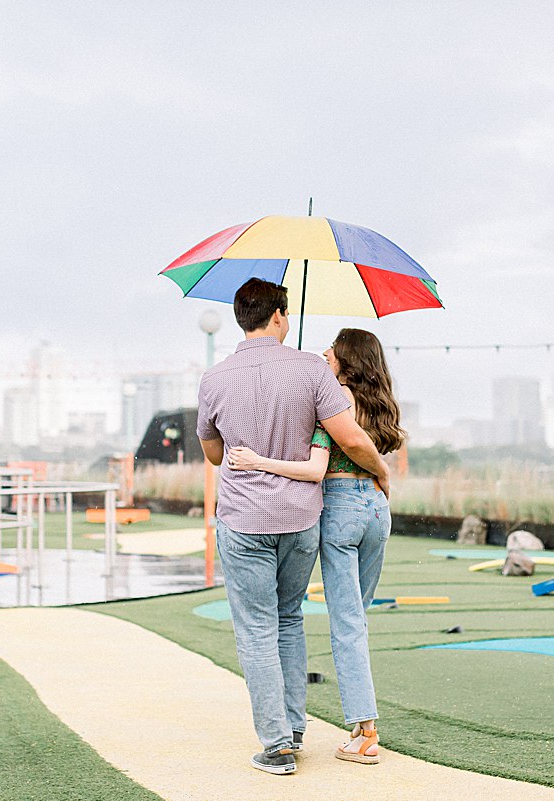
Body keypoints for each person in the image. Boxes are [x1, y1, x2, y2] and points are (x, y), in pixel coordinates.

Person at [196, 279, 391, 776]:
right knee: (288, 618)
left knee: (256, 629)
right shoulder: (310, 368)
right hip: (301, 518)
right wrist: (380, 473)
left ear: (242, 317)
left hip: (243, 520)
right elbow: (347, 435)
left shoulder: (214, 378)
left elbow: (214, 453)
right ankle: (295, 727)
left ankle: (279, 744)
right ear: (280, 315)